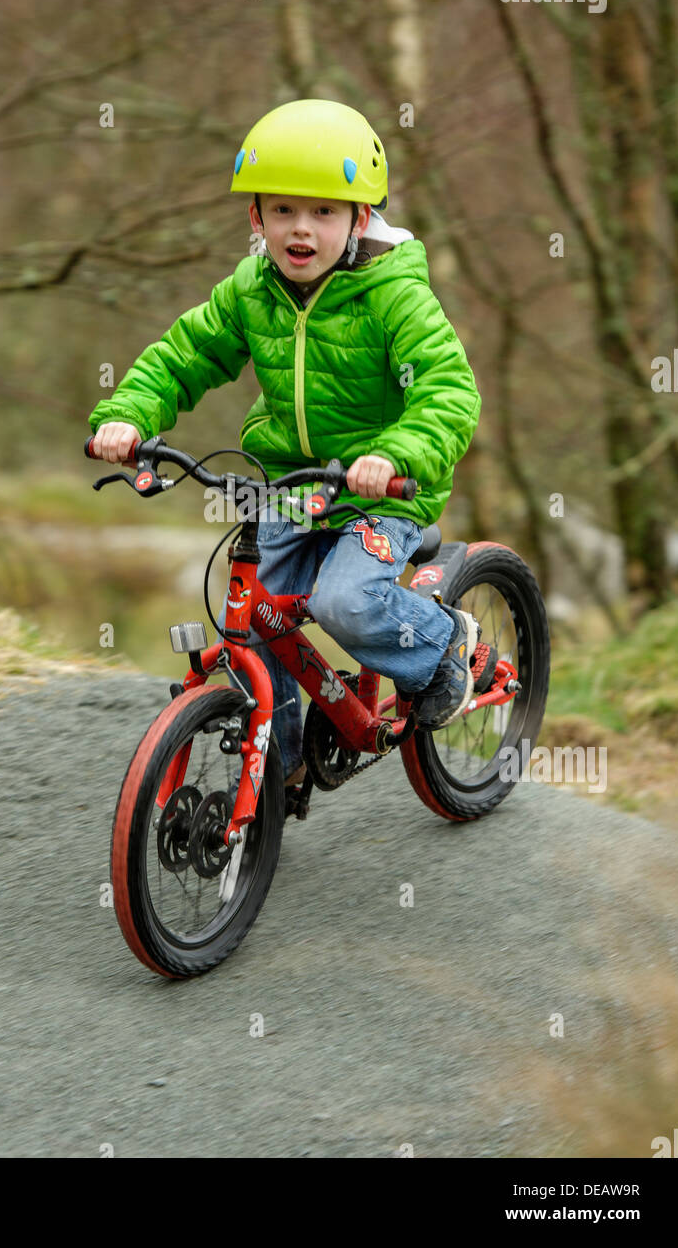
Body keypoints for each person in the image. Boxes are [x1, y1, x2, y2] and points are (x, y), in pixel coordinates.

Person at [88, 99, 482, 786]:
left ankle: (443, 647)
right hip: (287, 487)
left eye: (324, 212)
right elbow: (182, 357)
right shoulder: (250, 291)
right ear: (256, 218)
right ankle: (282, 759)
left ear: (360, 219)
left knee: (345, 603)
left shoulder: (393, 296)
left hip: (380, 494)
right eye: (283, 211)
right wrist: (128, 417)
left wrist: (392, 455)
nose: (302, 229)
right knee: (256, 606)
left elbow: (449, 393)